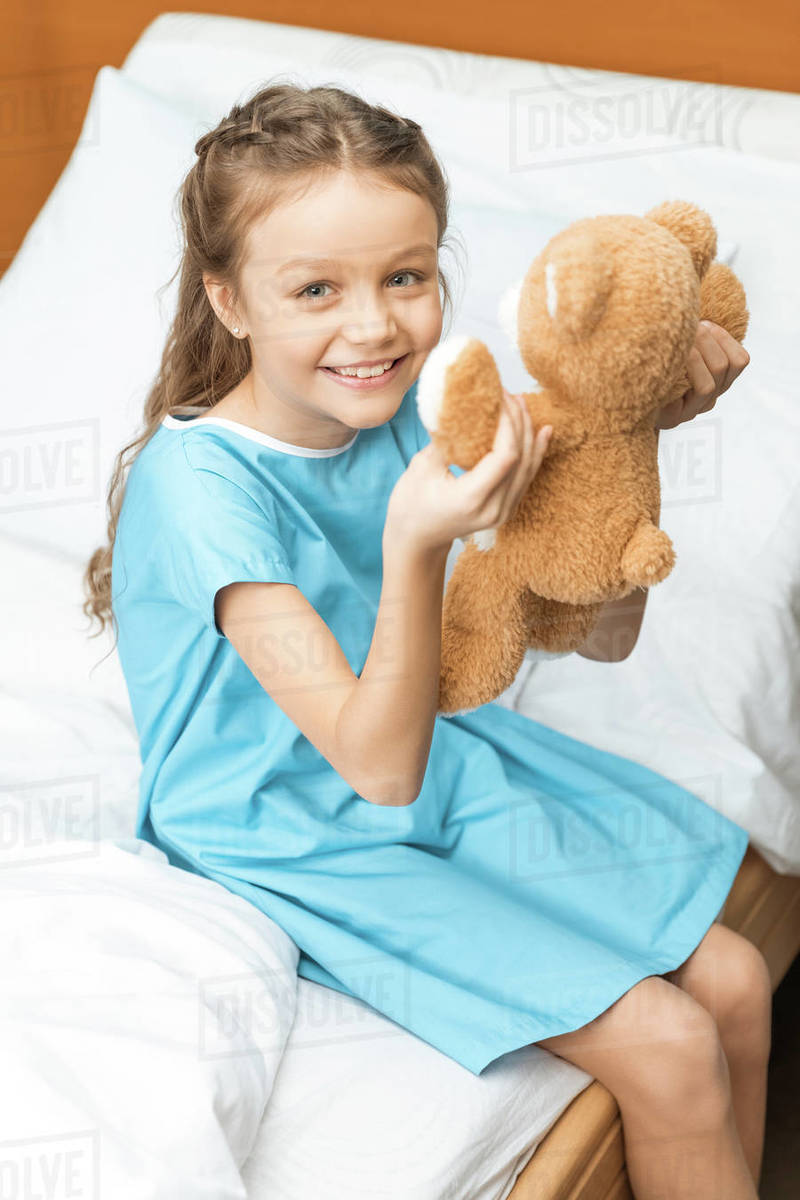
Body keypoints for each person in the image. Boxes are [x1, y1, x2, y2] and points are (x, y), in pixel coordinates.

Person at [83, 81, 767, 1199]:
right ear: (229, 299)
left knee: (733, 981)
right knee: (669, 1044)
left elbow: (594, 636)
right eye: (316, 289)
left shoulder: (408, 413)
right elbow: (375, 765)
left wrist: (625, 447)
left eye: (405, 276)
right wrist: (412, 545)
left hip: (427, 756)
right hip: (297, 827)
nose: (374, 326)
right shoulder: (199, 491)